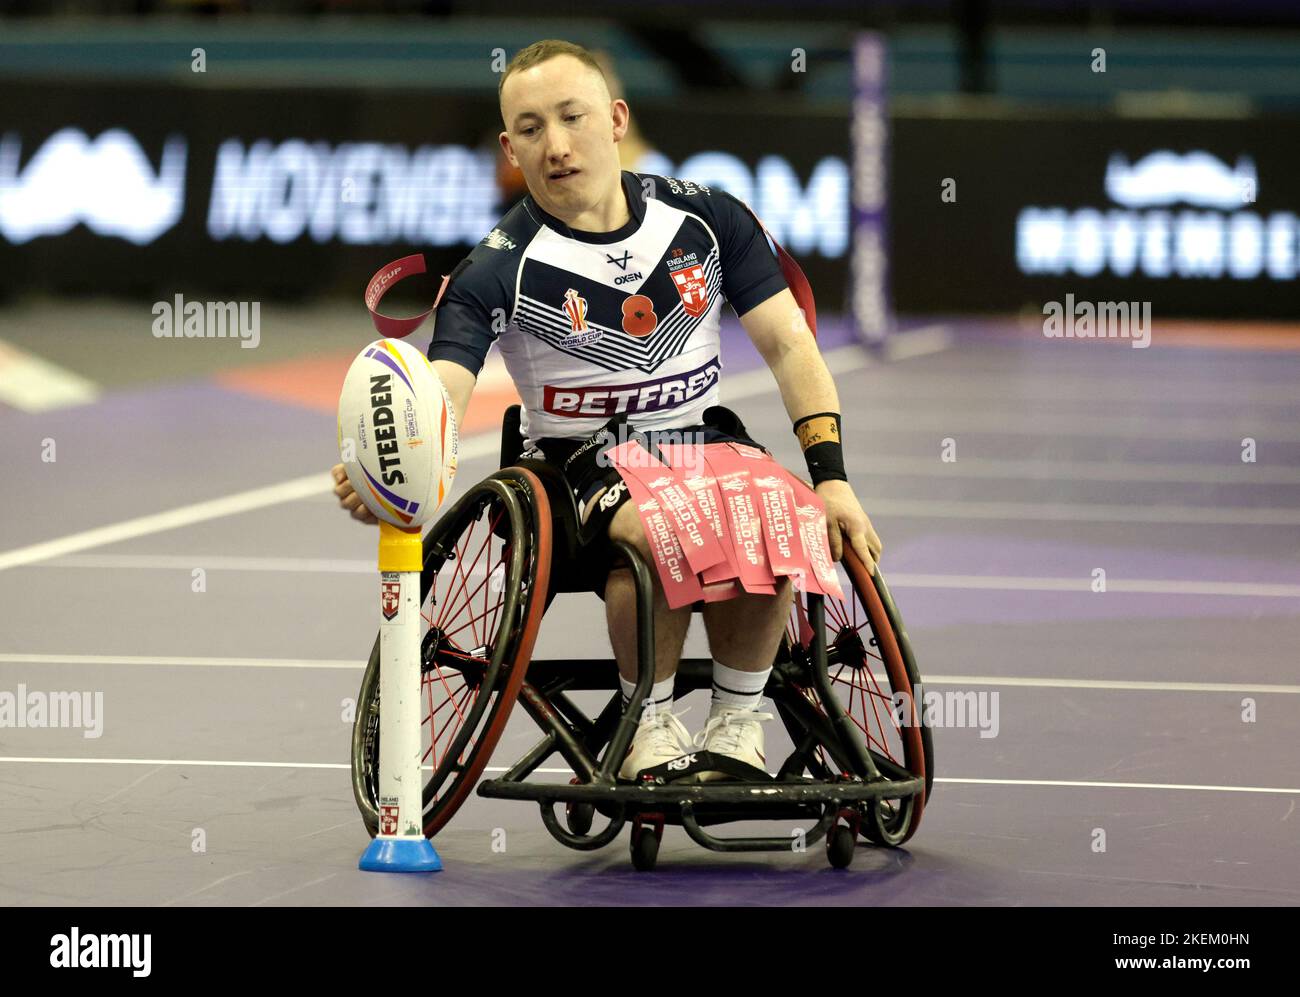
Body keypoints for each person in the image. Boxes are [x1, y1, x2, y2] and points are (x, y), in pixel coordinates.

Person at [333, 39, 882, 782]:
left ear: (616, 118)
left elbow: (790, 346)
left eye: (572, 117)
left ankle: (736, 723)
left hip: (704, 442)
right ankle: (647, 723)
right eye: (531, 129)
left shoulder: (709, 220)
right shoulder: (494, 267)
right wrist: (388, 466)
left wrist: (833, 478)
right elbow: (441, 395)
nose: (555, 145)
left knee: (774, 517)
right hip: (579, 467)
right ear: (508, 147)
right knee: (661, 530)